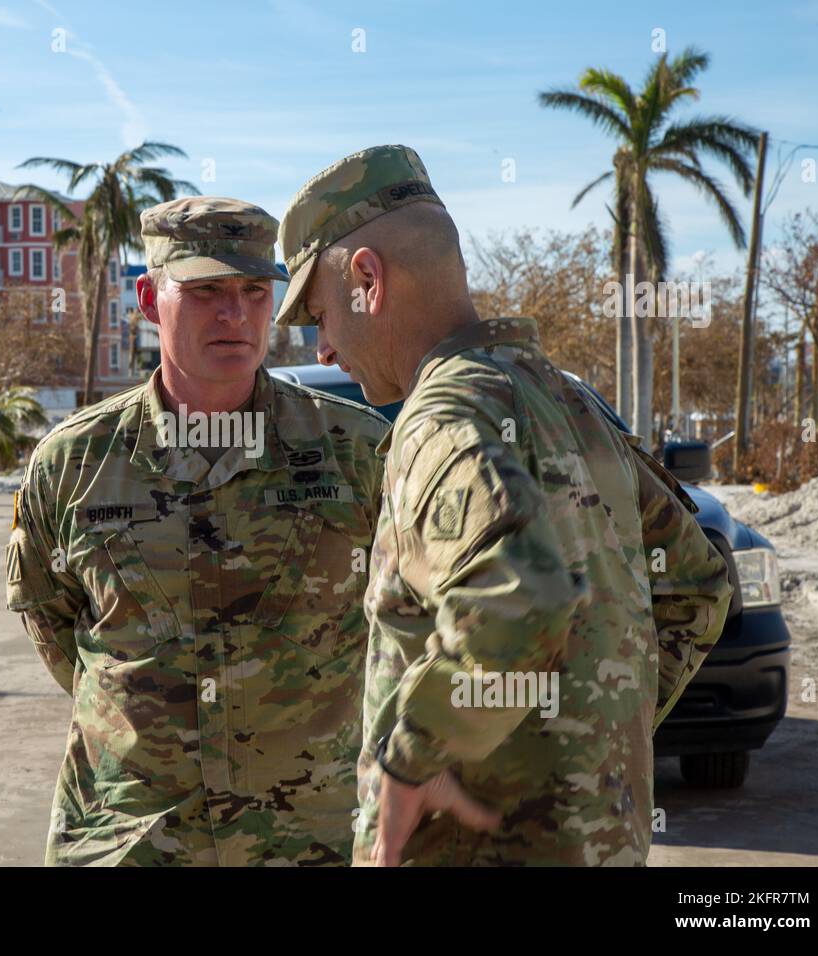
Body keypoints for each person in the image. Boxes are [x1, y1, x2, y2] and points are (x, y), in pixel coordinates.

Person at [274, 144, 733, 866]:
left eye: (319, 315)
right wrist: (594, 742)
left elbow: (515, 596)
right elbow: (699, 584)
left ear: (367, 279)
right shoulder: (570, 402)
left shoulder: (439, 418)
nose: (324, 349)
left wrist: (412, 764)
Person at [5, 196, 389, 866]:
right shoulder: (74, 462)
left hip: (311, 838)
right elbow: (56, 625)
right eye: (206, 290)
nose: (234, 314)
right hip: (132, 835)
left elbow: (411, 626)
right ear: (151, 300)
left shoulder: (359, 451)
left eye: (252, 291)